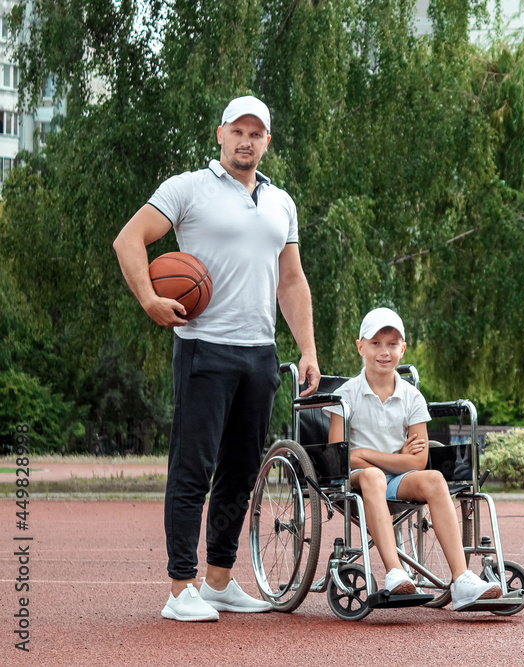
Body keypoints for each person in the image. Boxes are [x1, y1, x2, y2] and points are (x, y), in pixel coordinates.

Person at [113, 95, 321, 622]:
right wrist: (149, 299)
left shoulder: (282, 202)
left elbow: (292, 279)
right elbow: (128, 239)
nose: (246, 140)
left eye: (256, 133)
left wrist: (308, 348)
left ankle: (221, 581)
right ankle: (180, 588)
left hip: (260, 355)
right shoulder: (188, 188)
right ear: (220, 133)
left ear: (266, 141)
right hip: (204, 348)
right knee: (193, 469)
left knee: (241, 473)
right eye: (237, 130)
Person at [325, 307, 501, 610]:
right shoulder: (344, 397)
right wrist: (390, 458)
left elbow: (417, 463)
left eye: (392, 344)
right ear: (361, 347)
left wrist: (365, 453)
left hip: (396, 479)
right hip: (357, 479)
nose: (384, 351)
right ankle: (395, 572)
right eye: (376, 343)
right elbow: (339, 458)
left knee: (434, 478)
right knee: (372, 476)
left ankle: (461, 580)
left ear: (402, 348)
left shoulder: (412, 398)